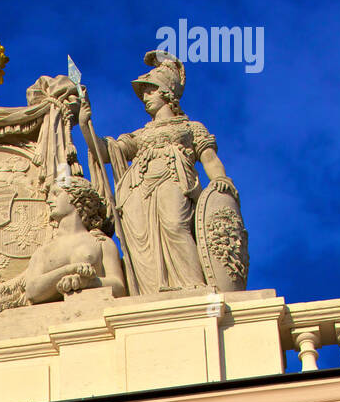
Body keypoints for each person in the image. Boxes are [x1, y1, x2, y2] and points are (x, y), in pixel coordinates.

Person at [79, 53, 239, 295]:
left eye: (150, 90)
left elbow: (209, 159)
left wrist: (220, 182)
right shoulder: (139, 135)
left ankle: (192, 286)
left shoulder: (190, 127)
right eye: (143, 92)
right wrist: (84, 123)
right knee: (142, 242)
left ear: (166, 92)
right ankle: (151, 292)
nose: (144, 97)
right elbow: (105, 152)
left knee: (175, 225)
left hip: (174, 181)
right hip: (138, 191)